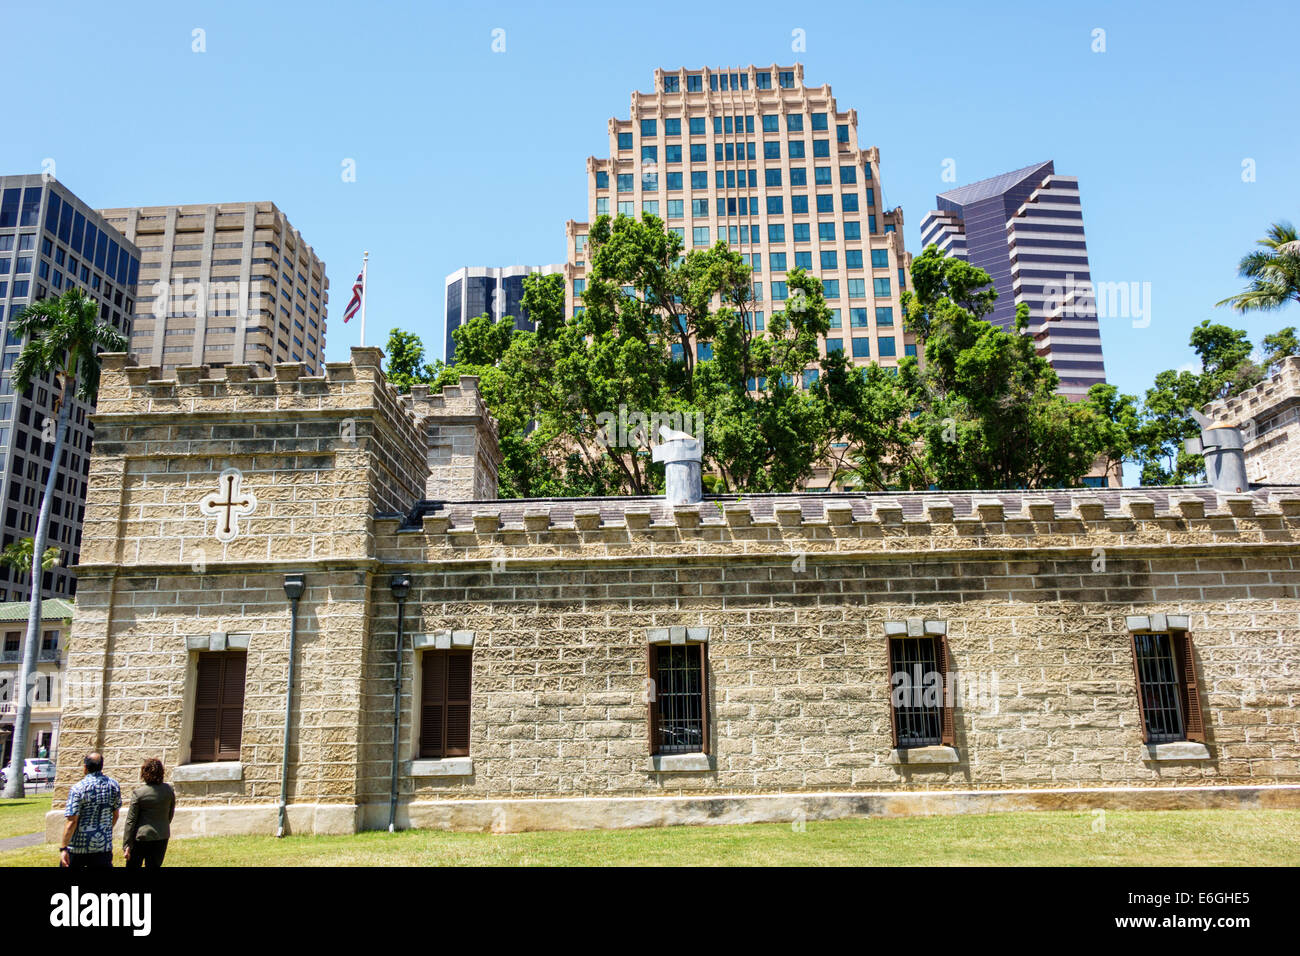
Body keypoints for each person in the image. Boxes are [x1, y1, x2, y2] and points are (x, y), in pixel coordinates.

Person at [60, 753, 121, 868]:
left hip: (78, 849)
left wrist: (63, 848)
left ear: (85, 767)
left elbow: (72, 821)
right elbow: (116, 815)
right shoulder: (114, 786)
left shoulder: (78, 788)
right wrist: (105, 829)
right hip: (103, 847)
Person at [122, 758, 175, 869]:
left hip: (141, 837)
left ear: (144, 773)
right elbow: (170, 814)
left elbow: (131, 821)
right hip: (161, 836)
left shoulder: (139, 793)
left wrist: (127, 844)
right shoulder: (169, 790)